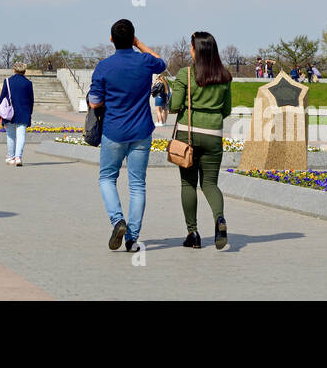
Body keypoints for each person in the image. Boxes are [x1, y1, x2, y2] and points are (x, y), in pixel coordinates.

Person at [87, 19, 166, 252]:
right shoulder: (144, 61)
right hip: (141, 131)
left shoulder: (104, 66)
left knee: (107, 178)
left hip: (113, 131)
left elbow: (95, 102)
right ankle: (132, 238)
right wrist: (139, 44)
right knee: (138, 185)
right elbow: (162, 64)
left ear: (111, 40)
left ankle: (117, 220)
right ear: (133, 38)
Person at [169, 32, 231, 250]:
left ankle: (192, 233)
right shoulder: (224, 77)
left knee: (188, 183)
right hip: (213, 136)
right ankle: (219, 219)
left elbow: (174, 106)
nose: (189, 50)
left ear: (197, 50)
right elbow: (226, 110)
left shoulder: (185, 74)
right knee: (210, 184)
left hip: (189, 135)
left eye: (191, 47)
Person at [0, 61, 35, 166]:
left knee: (10, 135)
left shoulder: (7, 81)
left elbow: (2, 99)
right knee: (21, 135)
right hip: (24, 112)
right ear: (25, 71)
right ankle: (18, 157)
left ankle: (11, 157)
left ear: (14, 70)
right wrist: (30, 113)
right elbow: (31, 100)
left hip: (9, 112)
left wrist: (1, 113)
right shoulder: (28, 83)